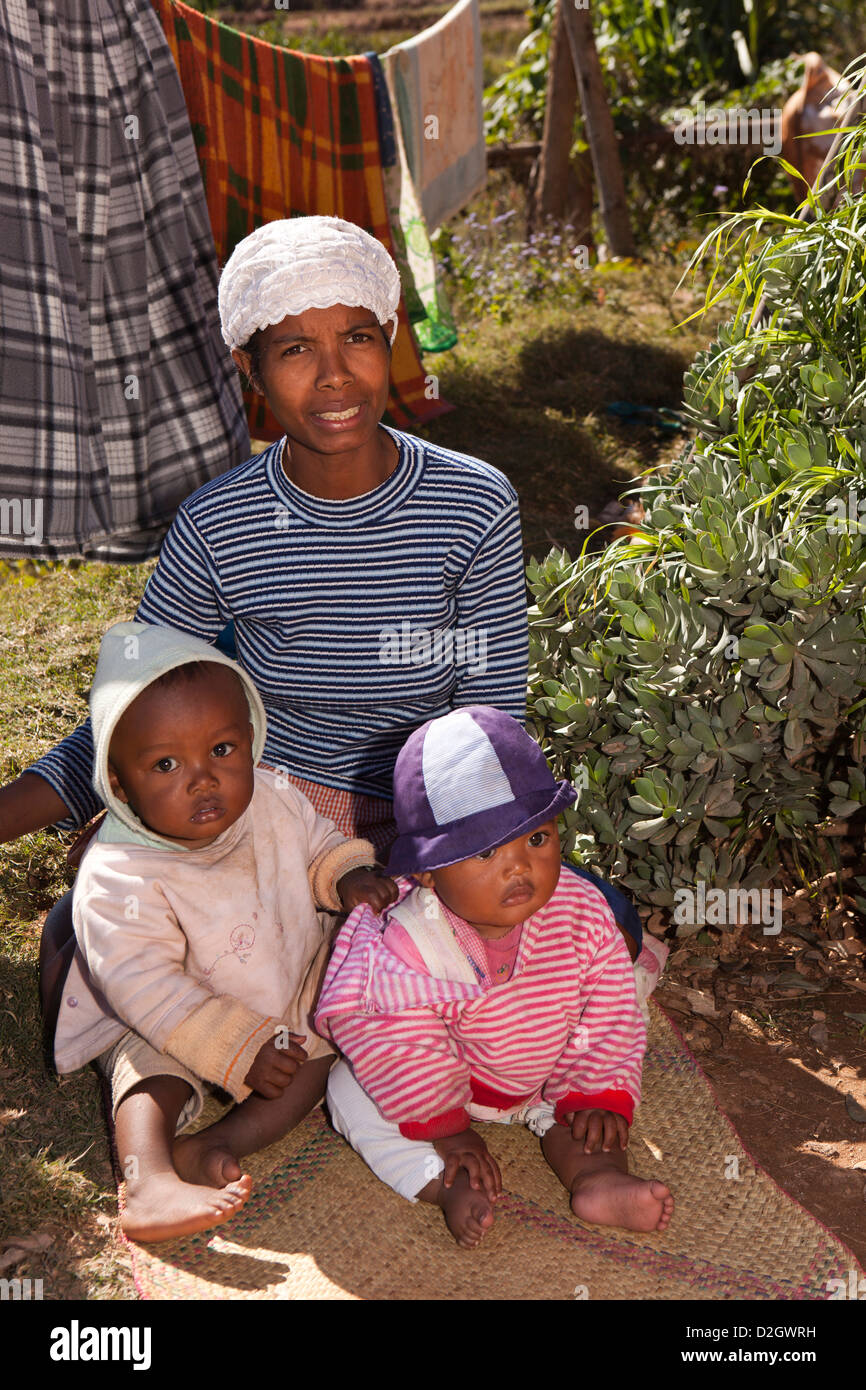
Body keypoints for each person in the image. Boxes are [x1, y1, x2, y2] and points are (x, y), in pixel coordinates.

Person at [0, 214, 639, 1045]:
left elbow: (492, 714)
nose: (335, 377)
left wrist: (450, 858)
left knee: (602, 929)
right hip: (268, 816)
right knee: (108, 933)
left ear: (394, 339)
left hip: (430, 817)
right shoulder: (219, 525)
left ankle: (336, 976)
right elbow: (133, 719)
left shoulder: (472, 501)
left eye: (358, 338)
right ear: (249, 368)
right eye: (296, 350)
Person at [54, 620, 397, 1242]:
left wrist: (346, 873)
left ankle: (215, 1143)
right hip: (166, 1013)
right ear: (119, 783)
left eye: (222, 750)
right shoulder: (119, 875)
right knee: (149, 1070)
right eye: (165, 764)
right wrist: (238, 1046)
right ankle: (149, 1177)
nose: (203, 778)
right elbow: (148, 988)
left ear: (253, 739)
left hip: (281, 979)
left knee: (320, 1047)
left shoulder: (271, 798)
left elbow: (319, 842)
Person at [316, 706, 674, 1249]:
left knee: (589, 1118)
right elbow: (395, 1037)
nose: (519, 867)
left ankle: (598, 1180)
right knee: (348, 1090)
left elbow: (607, 1003)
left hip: (543, 1071)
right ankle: (443, 1184)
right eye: (486, 851)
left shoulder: (578, 909)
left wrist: (596, 1088)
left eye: (537, 840)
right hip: (442, 1073)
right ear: (427, 873)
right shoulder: (409, 939)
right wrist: (447, 1126)